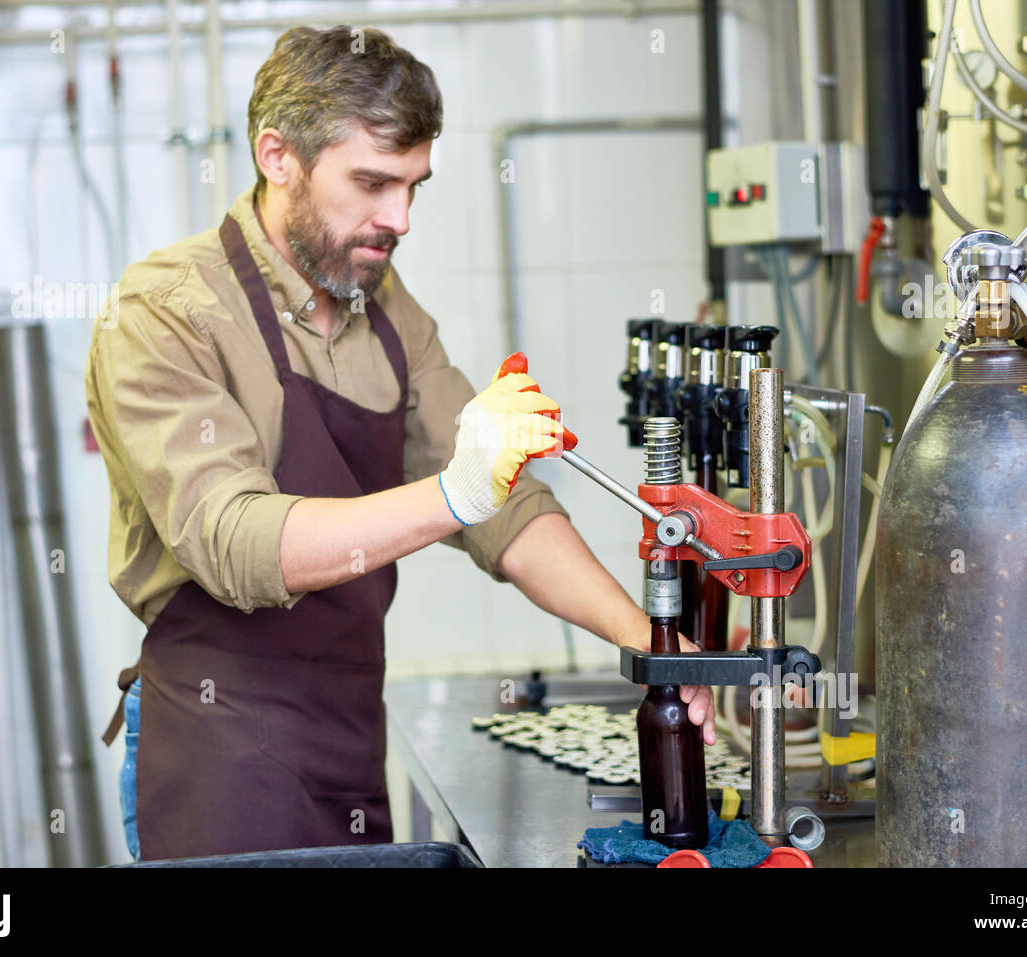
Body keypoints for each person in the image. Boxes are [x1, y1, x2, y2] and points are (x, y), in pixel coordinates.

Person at [85, 23, 714, 862]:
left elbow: (507, 507)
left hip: (348, 736)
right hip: (220, 748)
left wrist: (647, 643)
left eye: (414, 185)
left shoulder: (379, 301)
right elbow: (234, 542)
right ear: (278, 156)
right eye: (374, 183)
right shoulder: (166, 311)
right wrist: (453, 494)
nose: (401, 218)